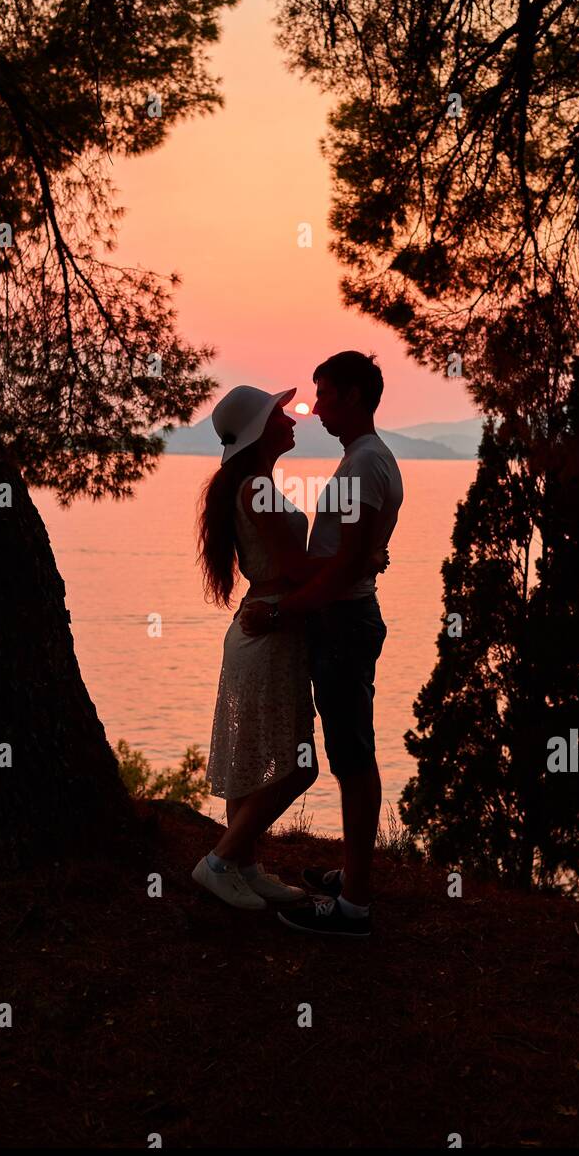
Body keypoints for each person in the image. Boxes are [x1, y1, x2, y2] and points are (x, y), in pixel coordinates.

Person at [194, 383, 388, 911]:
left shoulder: (253, 483)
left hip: (262, 627)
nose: (292, 416)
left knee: (252, 756)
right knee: (298, 766)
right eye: (280, 412)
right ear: (260, 429)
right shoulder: (256, 488)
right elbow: (298, 568)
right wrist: (361, 558)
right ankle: (219, 862)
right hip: (271, 631)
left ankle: (245, 866)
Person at [242, 352, 403, 939]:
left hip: (344, 620)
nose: (317, 408)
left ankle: (354, 907)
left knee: (352, 757)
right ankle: (352, 872)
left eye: (327, 396)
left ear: (356, 395)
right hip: (343, 616)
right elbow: (348, 557)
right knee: (349, 752)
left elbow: (341, 571)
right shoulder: (365, 460)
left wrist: (282, 607)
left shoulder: (363, 466)